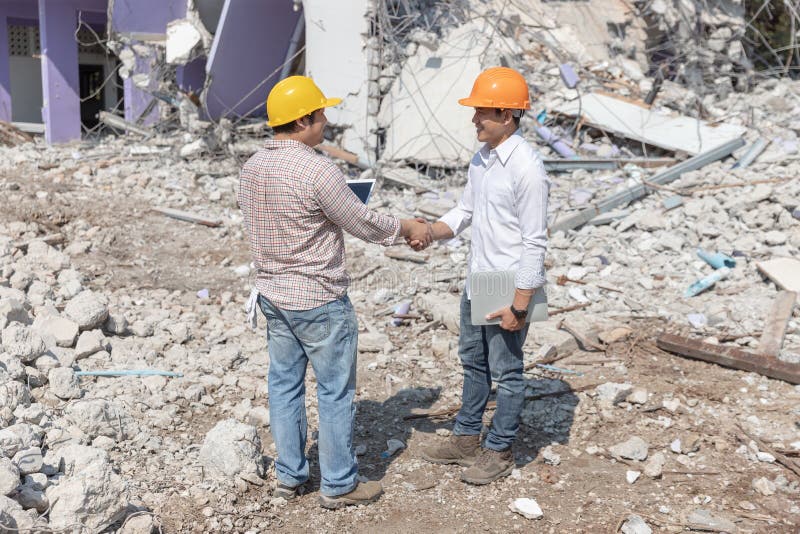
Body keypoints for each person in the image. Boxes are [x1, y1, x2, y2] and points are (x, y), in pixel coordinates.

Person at [238, 75, 432, 508]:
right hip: (318, 299)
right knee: (334, 391)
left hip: (273, 295)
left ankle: (290, 476)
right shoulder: (317, 168)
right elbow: (362, 223)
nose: (326, 120)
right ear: (303, 119)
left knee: (284, 386)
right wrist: (408, 227)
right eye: (321, 112)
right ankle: (340, 485)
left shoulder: (252, 167)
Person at [415, 67, 550, 485]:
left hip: (510, 283)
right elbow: (466, 211)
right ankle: (466, 438)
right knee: (474, 363)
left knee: (508, 372)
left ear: (508, 115)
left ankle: (500, 448)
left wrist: (521, 304)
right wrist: (432, 232)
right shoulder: (483, 158)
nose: (475, 120)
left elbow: (535, 242)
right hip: (480, 279)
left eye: (482, 113)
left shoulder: (527, 168)